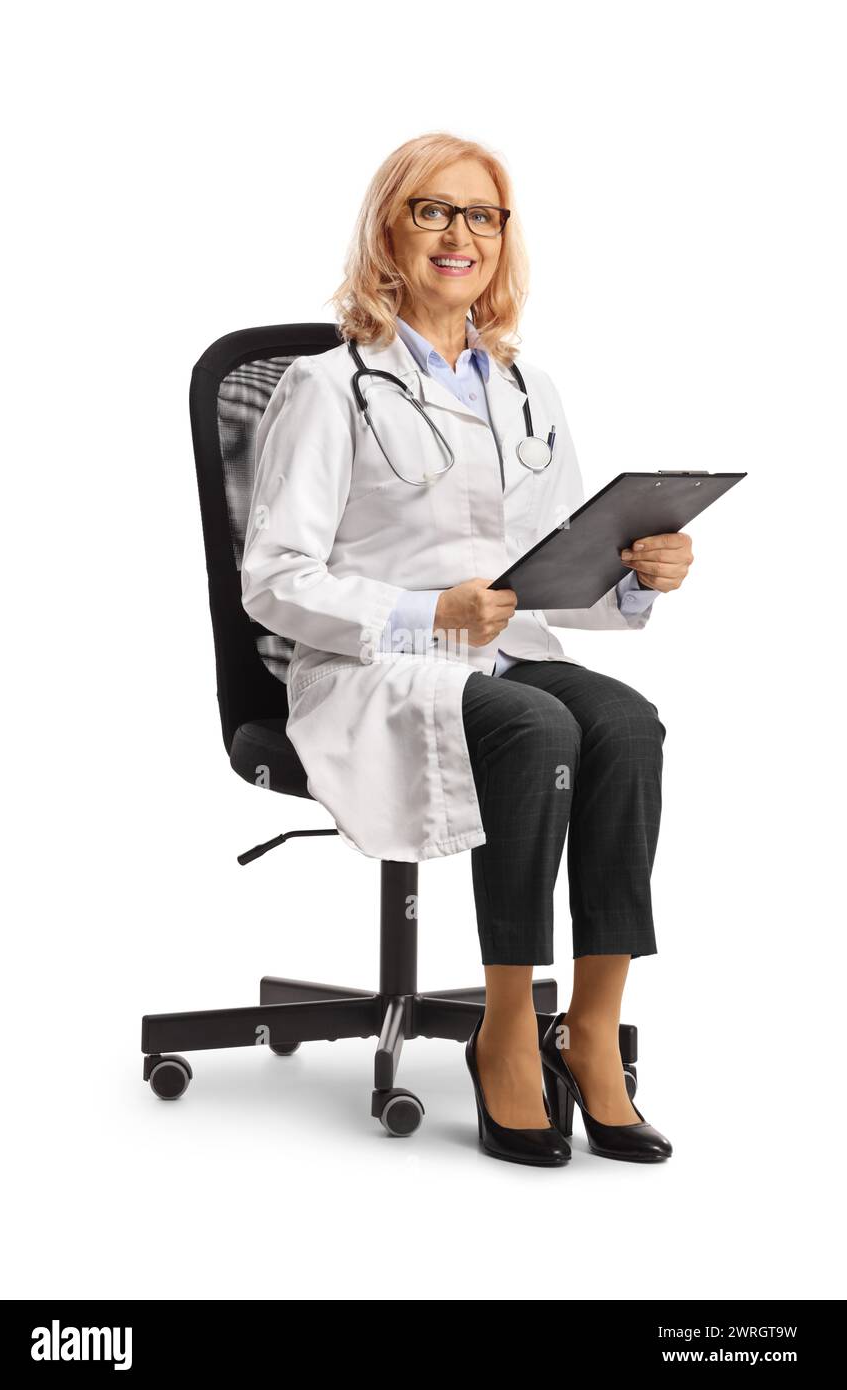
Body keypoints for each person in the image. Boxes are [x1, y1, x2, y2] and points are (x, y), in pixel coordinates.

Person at [241, 131, 693, 1166]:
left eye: (481, 215)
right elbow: (273, 581)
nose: (460, 235)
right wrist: (425, 615)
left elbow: (546, 566)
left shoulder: (523, 388)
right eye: (431, 211)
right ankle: (504, 1034)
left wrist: (633, 570)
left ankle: (587, 1033)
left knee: (625, 723)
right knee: (535, 727)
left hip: (495, 650)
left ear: (502, 237)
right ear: (386, 233)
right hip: (371, 668)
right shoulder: (325, 385)